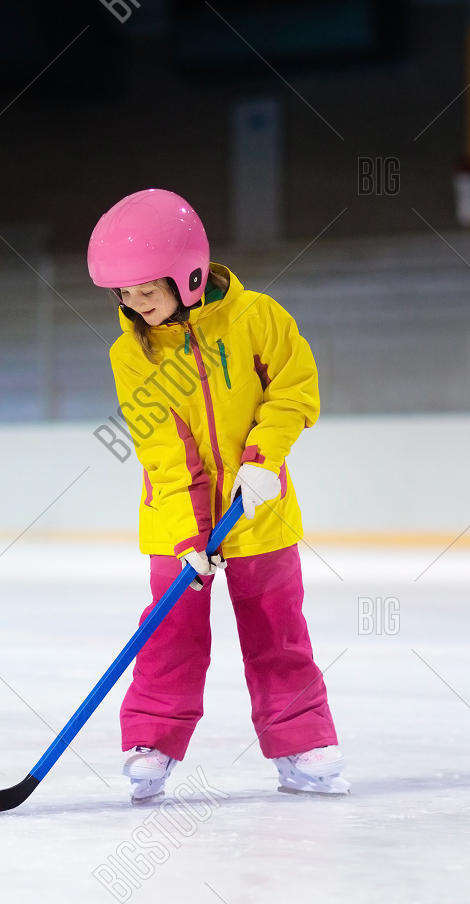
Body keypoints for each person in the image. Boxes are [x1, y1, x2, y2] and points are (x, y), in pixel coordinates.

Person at [87, 188, 347, 803]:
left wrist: (264, 461)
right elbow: (161, 450)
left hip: (259, 508)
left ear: (189, 274)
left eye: (145, 292)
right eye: (123, 295)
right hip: (173, 516)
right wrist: (186, 537)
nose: (133, 306)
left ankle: (300, 742)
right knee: (169, 629)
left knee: (277, 628)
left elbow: (294, 389)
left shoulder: (258, 319)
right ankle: (152, 740)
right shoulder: (132, 354)